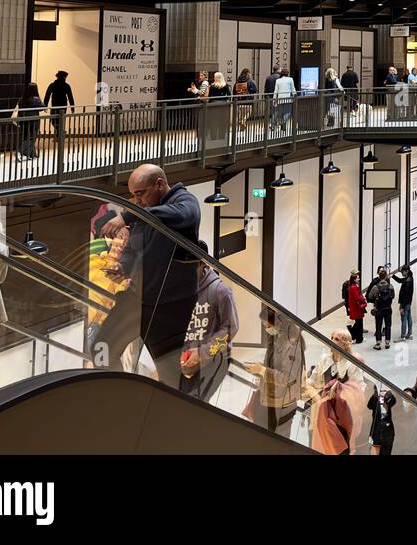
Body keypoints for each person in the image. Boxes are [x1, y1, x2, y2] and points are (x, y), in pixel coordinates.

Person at [93, 164, 202, 386]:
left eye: (140, 194)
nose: (138, 200)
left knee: (169, 370)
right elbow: (134, 248)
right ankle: (121, 397)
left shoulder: (184, 201)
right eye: (133, 196)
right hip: (137, 297)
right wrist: (123, 267)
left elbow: (185, 215)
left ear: (159, 184)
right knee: (101, 348)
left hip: (168, 306)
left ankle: (176, 413)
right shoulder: (144, 212)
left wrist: (128, 215)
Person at [179, 242, 239, 403]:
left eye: (190, 268)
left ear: (202, 263)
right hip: (185, 360)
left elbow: (230, 328)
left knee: (195, 406)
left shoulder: (220, 291)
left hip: (213, 360)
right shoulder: (180, 289)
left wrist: (203, 352)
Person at [245, 307, 305, 437]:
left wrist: (262, 370)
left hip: (282, 402)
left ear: (278, 322)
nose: (266, 327)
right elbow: (273, 366)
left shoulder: (291, 343)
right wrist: (259, 368)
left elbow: (287, 378)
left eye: (267, 324)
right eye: (264, 325)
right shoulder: (276, 337)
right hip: (270, 397)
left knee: (278, 440)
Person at [366, 266, 395, 350]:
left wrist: (374, 300)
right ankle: (387, 343)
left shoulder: (376, 287)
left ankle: (378, 343)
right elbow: (393, 296)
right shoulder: (390, 286)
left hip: (378, 309)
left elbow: (369, 296)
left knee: (378, 326)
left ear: (379, 276)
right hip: (388, 309)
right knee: (388, 325)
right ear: (386, 276)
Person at [12, 82, 44, 161]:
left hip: (23, 120)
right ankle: (19, 151)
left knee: (26, 137)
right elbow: (42, 107)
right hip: (33, 120)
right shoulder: (35, 99)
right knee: (32, 138)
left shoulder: (22, 99)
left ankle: (32, 154)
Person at [367, 385, 398, 455]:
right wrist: (374, 395)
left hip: (387, 428)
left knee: (386, 451)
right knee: (374, 450)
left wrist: (387, 396)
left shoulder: (388, 395)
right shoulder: (375, 398)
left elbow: (393, 401)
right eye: (375, 388)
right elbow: (369, 406)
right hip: (376, 429)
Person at [341, 268, 367, 344]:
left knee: (358, 322)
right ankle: (358, 338)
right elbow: (357, 297)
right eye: (358, 278)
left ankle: (354, 336)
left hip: (356, 307)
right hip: (356, 307)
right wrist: (363, 298)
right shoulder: (353, 287)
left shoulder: (353, 286)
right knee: (359, 323)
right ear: (354, 279)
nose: (359, 279)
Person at [392, 264, 414, 341]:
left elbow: (405, 295)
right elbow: (400, 281)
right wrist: (393, 276)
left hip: (405, 303)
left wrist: (402, 306)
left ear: (407, 271)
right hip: (408, 302)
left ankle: (403, 336)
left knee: (404, 318)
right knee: (408, 317)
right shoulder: (409, 278)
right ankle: (409, 334)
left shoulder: (408, 281)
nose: (402, 273)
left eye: (402, 272)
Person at [272, 67, 296, 132]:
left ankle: (278, 126)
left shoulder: (278, 80)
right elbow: (293, 89)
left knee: (279, 113)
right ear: (287, 73)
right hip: (288, 99)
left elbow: (275, 91)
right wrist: (295, 96)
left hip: (279, 99)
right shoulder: (290, 79)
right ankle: (282, 122)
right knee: (288, 113)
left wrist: (274, 100)